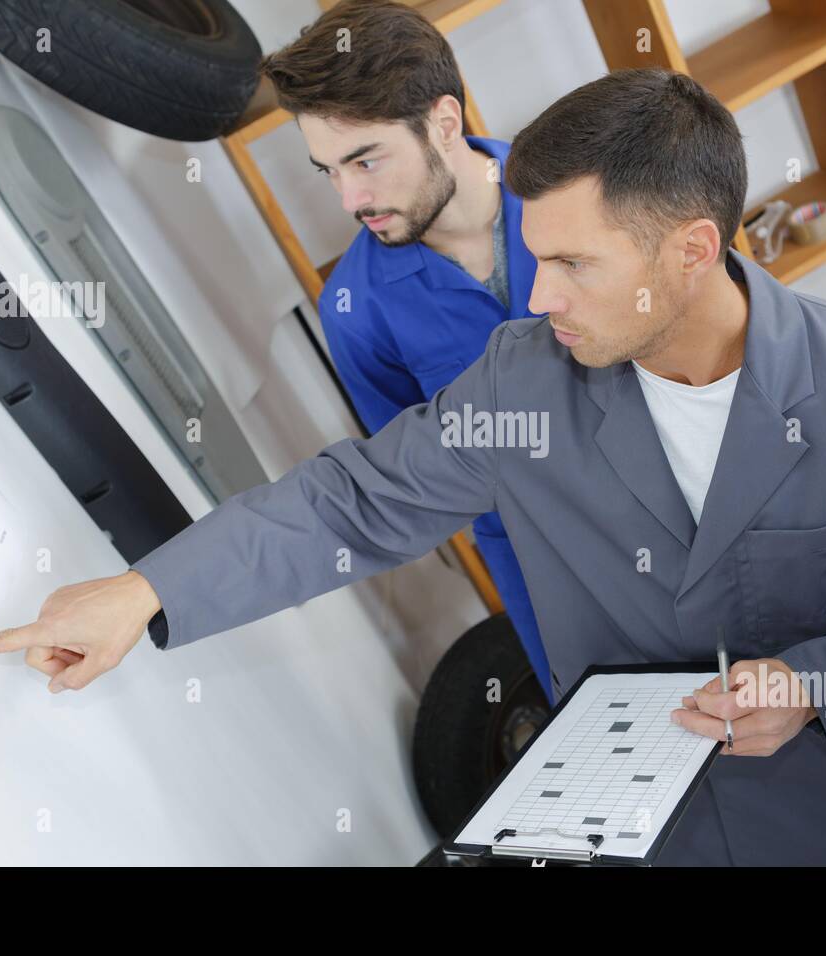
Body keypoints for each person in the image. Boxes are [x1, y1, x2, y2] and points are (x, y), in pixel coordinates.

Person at [0, 68, 826, 865]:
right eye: (532, 250)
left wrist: (817, 683)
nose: (539, 297)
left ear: (690, 253)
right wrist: (146, 591)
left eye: (570, 263)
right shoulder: (525, 382)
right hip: (641, 820)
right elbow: (355, 500)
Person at [261, 0, 553, 696]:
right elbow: (421, 481)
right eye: (327, 170)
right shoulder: (354, 312)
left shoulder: (583, 185)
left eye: (364, 160)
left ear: (444, 122)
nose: (349, 199)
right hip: (543, 570)